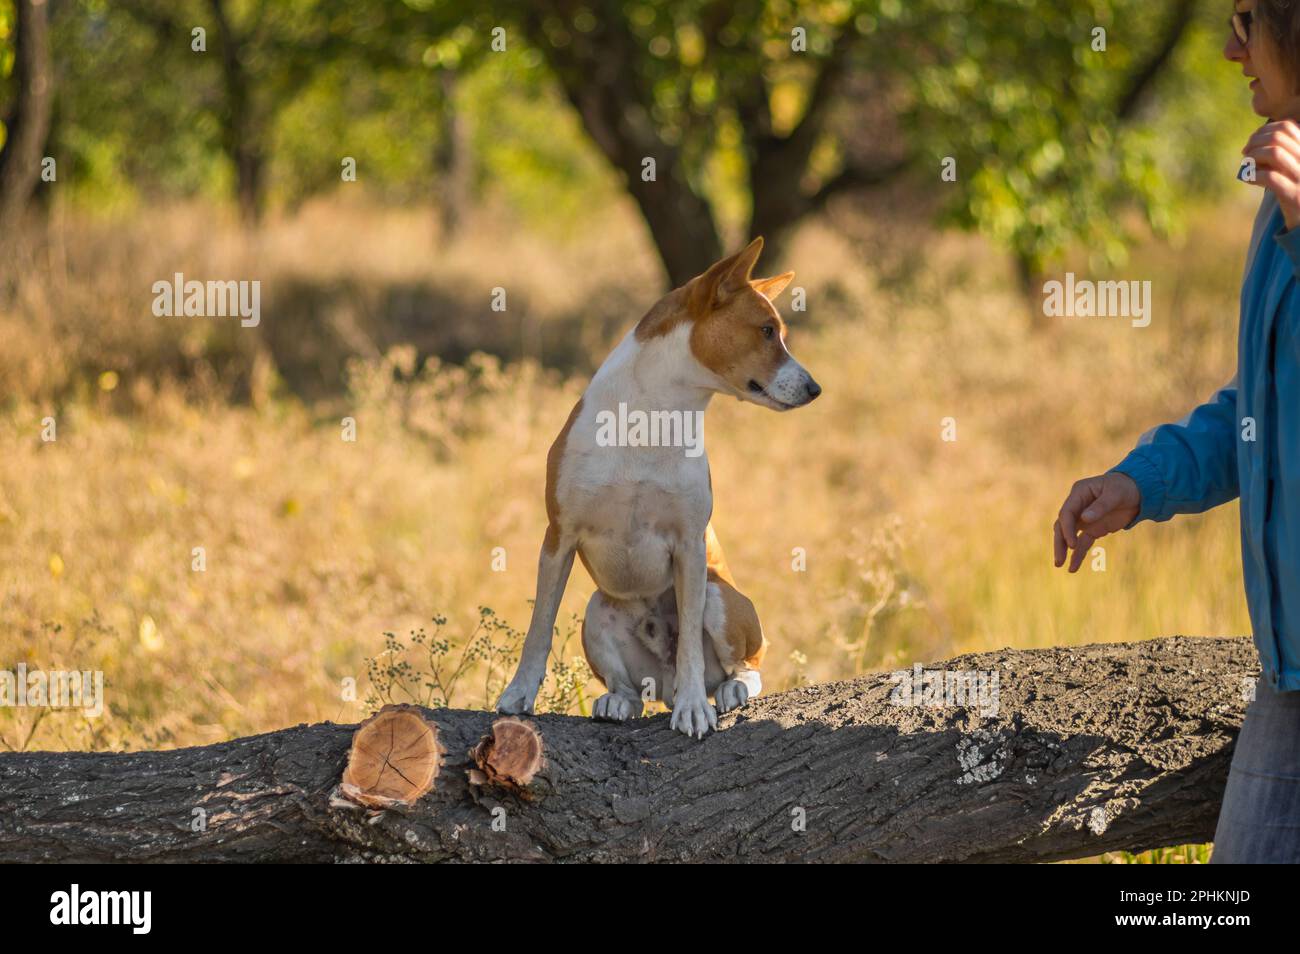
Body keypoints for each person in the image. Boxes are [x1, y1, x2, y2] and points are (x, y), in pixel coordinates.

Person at [1053, 0, 1300, 863]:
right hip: (1289, 676)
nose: (1230, 48)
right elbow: (1261, 410)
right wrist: (1141, 482)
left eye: (1247, 19)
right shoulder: (1279, 206)